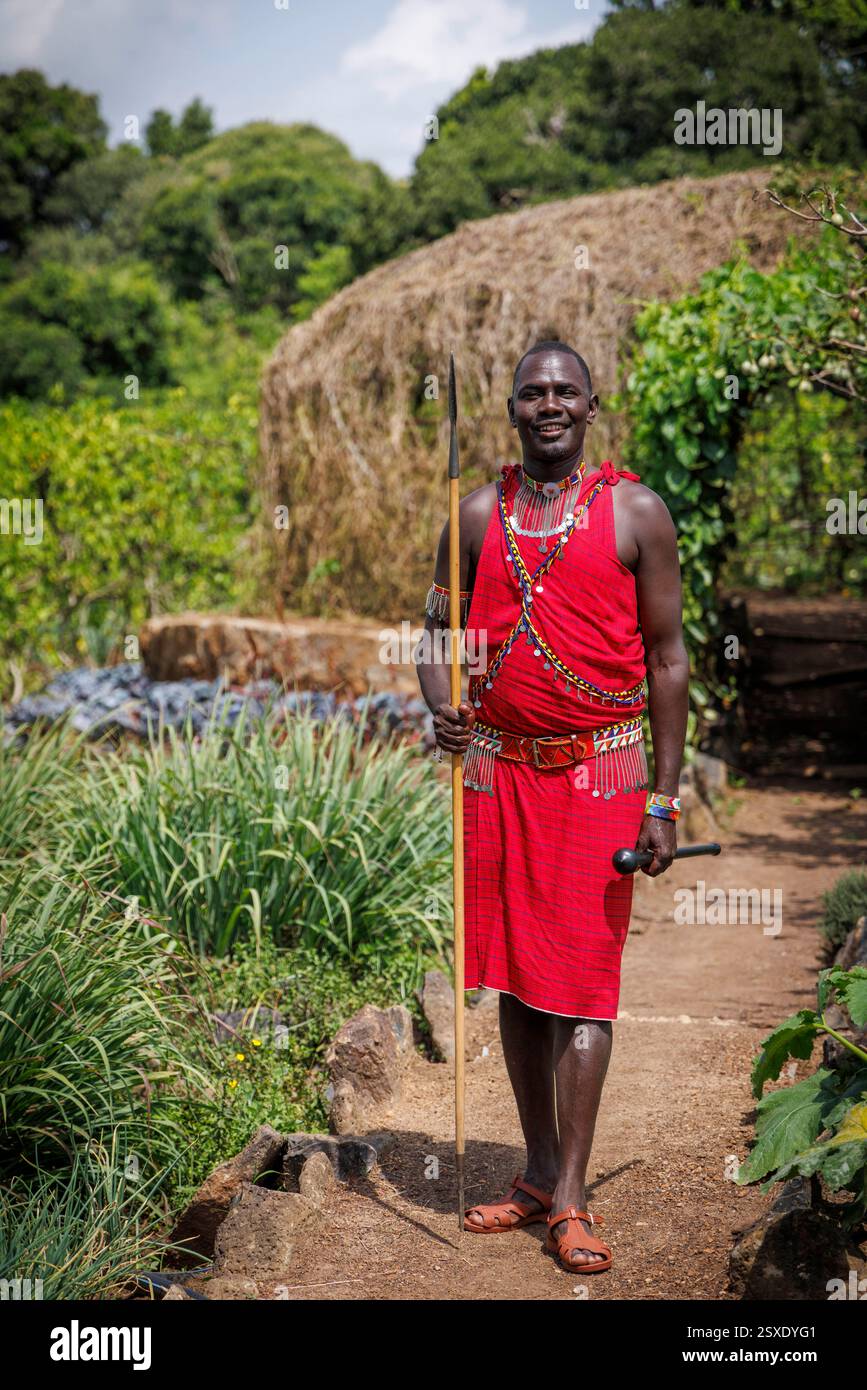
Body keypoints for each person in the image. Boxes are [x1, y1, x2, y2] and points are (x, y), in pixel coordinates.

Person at [416, 341, 689, 1273]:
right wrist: (440, 702)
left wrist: (666, 797)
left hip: (601, 777)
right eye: (532, 392)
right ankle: (535, 1173)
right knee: (518, 981)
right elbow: (433, 633)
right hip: (498, 775)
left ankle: (569, 1200)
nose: (548, 405)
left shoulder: (636, 512)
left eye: (564, 391)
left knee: (579, 986)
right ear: (510, 409)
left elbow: (668, 661)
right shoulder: (474, 516)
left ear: (590, 403)